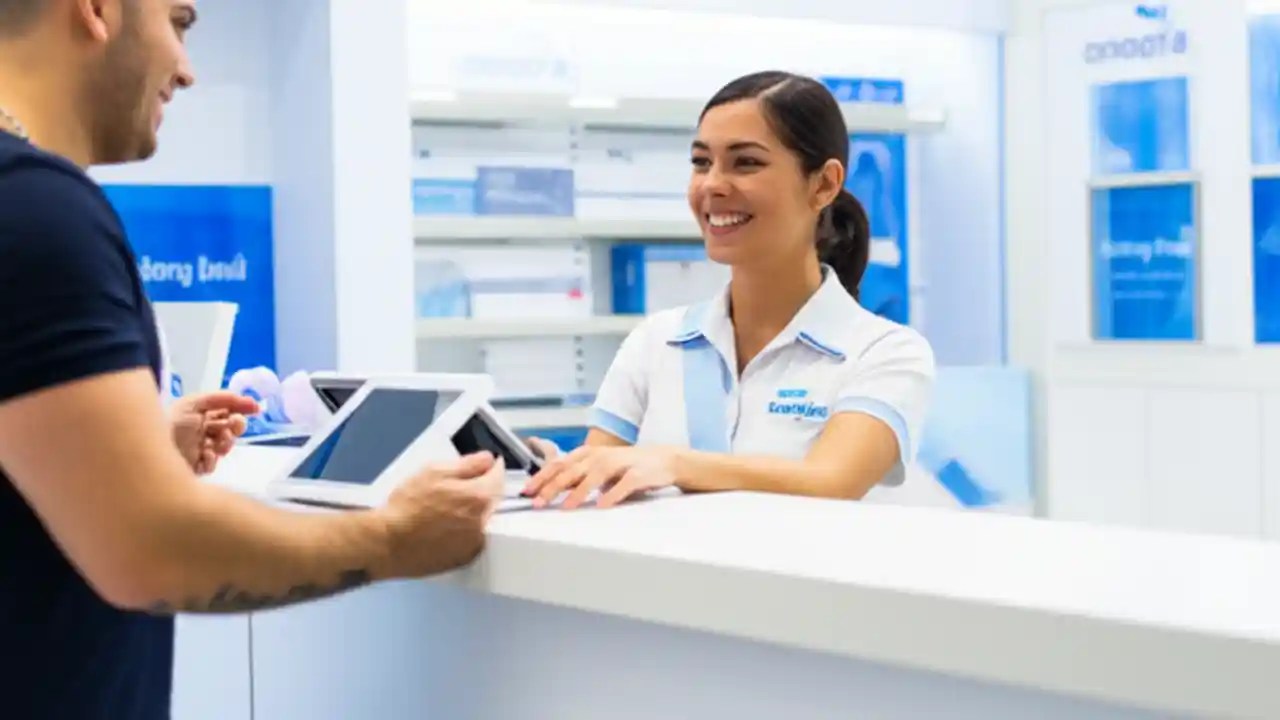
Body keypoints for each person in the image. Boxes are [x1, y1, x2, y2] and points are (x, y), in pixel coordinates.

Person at [0, 2, 504, 718]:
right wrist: (395, 537)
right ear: (97, 9)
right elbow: (149, 548)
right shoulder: (38, 210)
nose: (186, 70)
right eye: (178, 22)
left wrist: (129, 448)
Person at [524, 71, 936, 510]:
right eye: (701, 162)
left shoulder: (885, 353)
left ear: (824, 185)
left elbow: (830, 480)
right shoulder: (656, 341)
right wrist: (549, 472)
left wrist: (673, 463)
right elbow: (597, 480)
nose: (712, 185)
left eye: (746, 163)